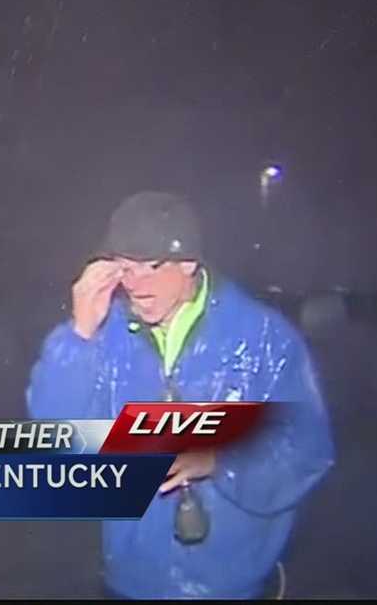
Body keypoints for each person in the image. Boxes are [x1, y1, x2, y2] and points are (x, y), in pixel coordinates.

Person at [26, 191, 335, 599]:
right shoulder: (104, 335)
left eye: (150, 266)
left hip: (232, 587)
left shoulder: (262, 337)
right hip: (130, 582)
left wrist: (219, 461)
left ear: (189, 262)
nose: (134, 284)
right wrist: (79, 336)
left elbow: (306, 450)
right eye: (124, 267)